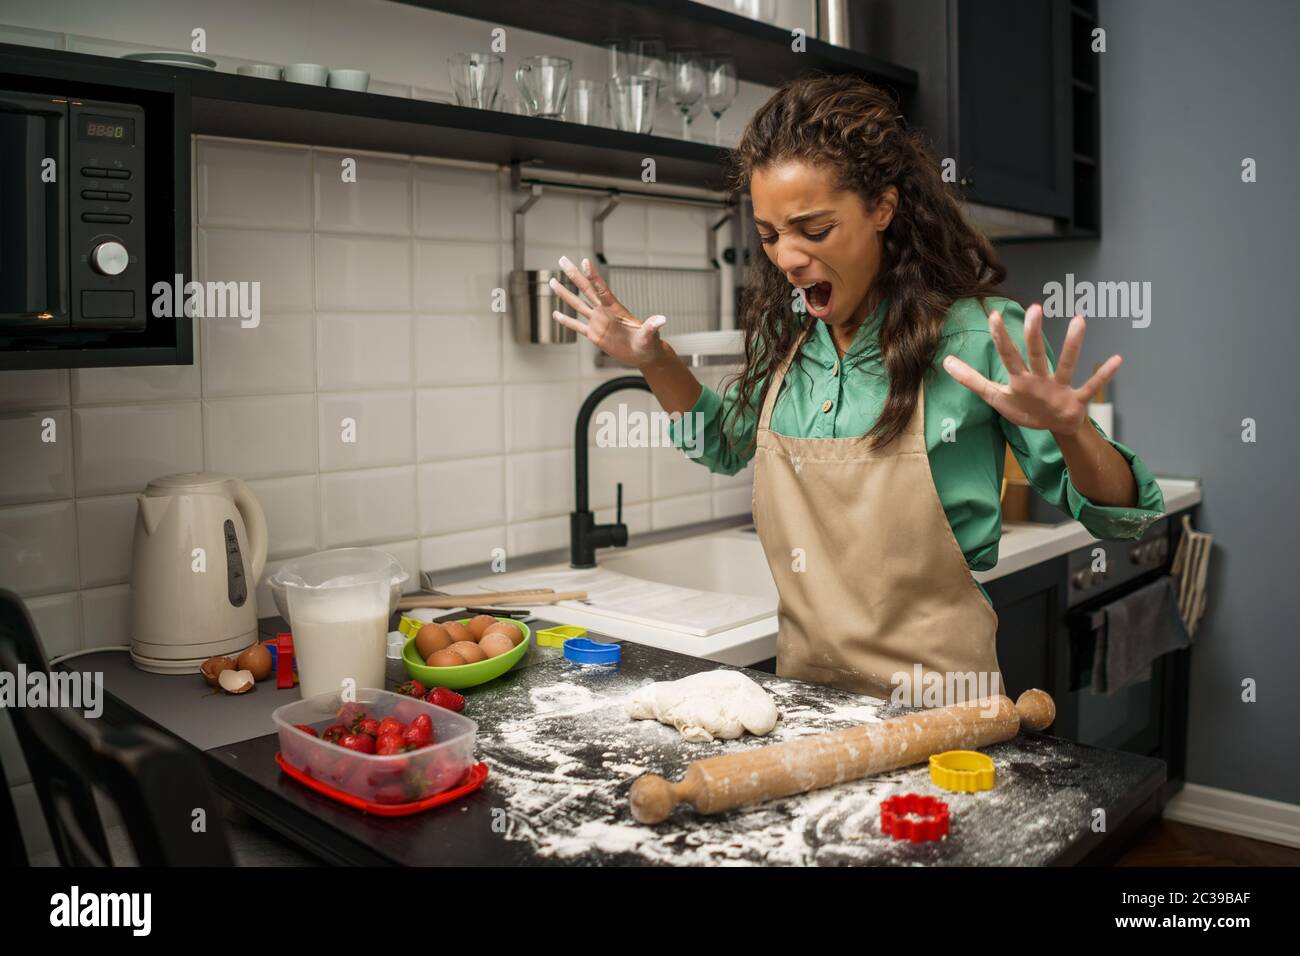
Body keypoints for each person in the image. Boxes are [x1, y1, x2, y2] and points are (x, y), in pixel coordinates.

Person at [547, 74, 1165, 705]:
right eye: (768, 234)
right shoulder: (787, 333)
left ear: (882, 209)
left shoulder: (975, 336)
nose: (786, 257)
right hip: (805, 711)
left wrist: (1072, 428)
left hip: (945, 713)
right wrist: (654, 361)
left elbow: (1123, 519)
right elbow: (723, 443)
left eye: (813, 231)